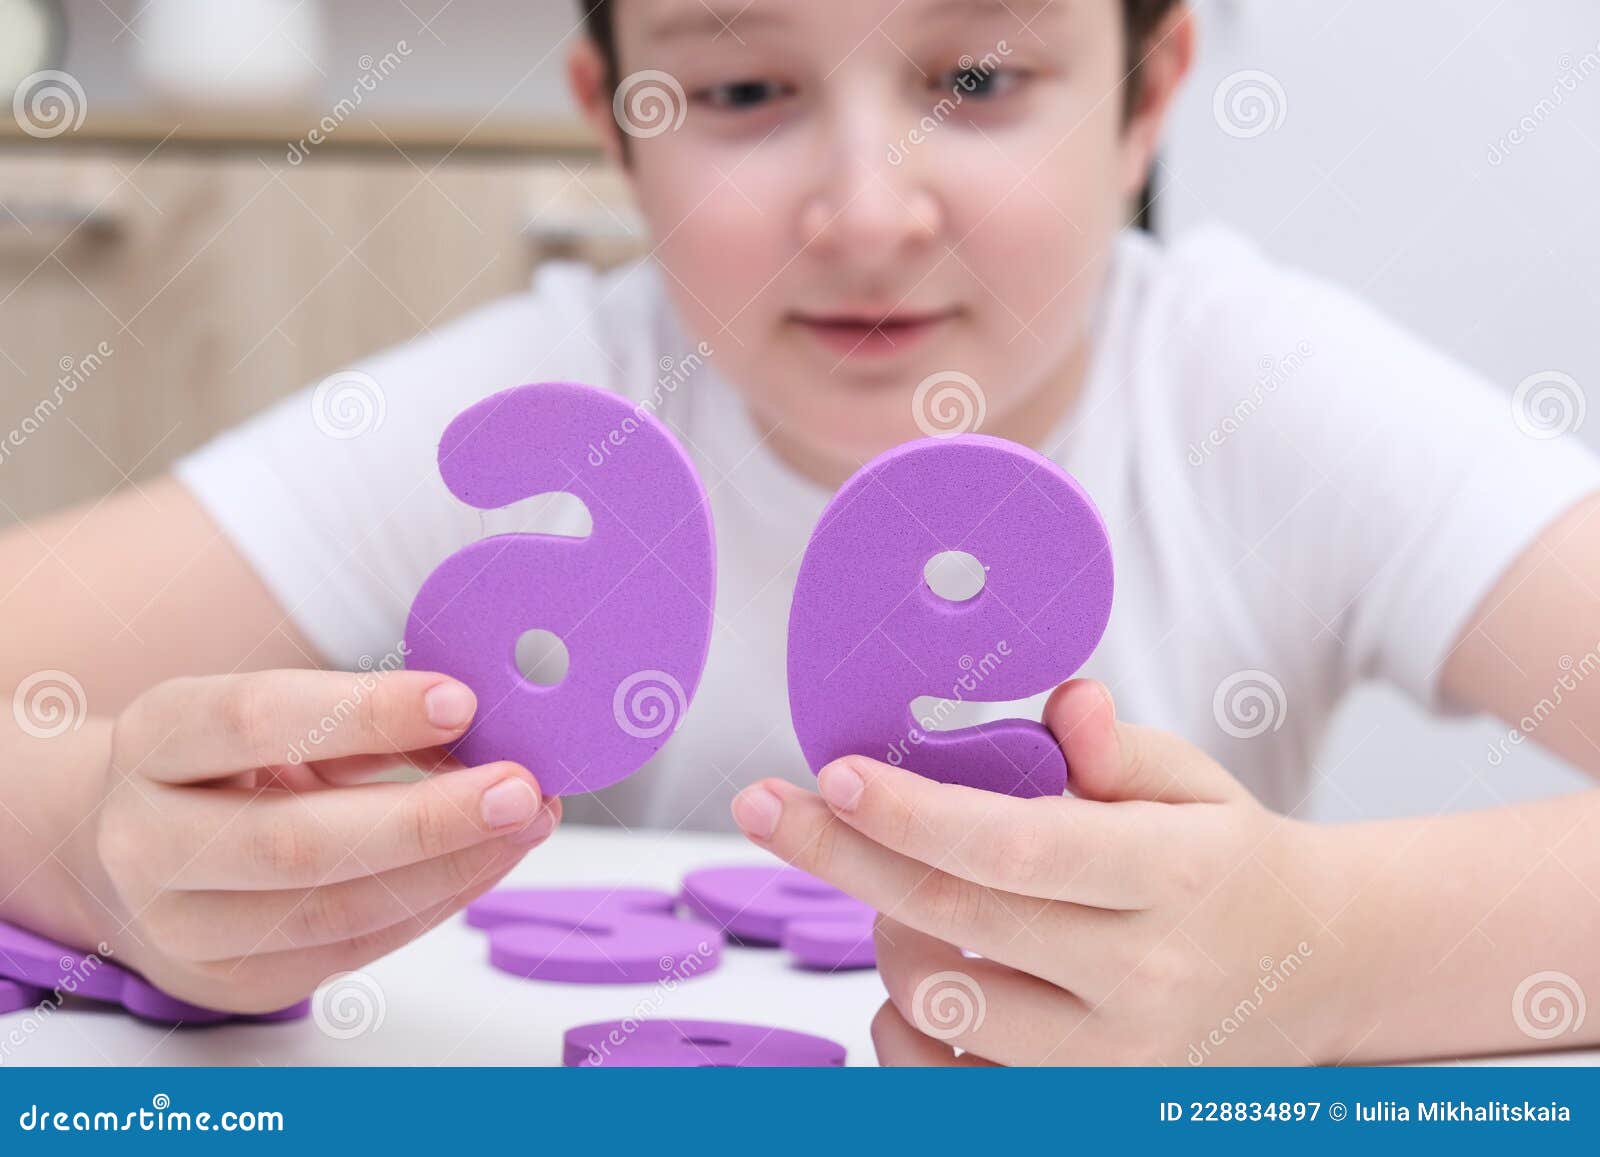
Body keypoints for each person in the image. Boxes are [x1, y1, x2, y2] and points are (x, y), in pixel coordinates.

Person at [2, 0, 1597, 1064]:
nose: (867, 208)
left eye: (976, 81)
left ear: (1147, 98)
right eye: (745, 90)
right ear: (614, 121)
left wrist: (1319, 956)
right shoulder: (549, 406)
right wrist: (92, 844)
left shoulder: (1265, 393)